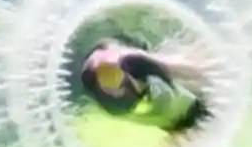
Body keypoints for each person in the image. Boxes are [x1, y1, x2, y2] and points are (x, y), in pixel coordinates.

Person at [79, 36, 211, 135]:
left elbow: (192, 70)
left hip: (185, 110)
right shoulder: (109, 97)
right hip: (177, 117)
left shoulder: (137, 63)